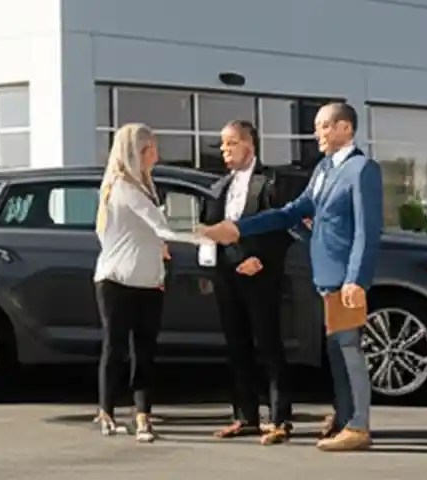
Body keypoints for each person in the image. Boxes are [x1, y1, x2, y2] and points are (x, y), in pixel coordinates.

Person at [201, 102, 382, 452]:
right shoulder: (324, 170)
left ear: (346, 128)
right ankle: (344, 418)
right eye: (317, 127)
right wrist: (237, 228)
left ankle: (358, 426)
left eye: (326, 126)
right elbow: (291, 213)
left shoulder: (362, 169)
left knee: (348, 349)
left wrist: (356, 280)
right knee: (337, 352)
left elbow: (366, 230)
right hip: (327, 276)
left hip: (345, 278)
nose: (319, 133)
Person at [93, 122, 236, 443]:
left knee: (144, 351)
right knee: (115, 348)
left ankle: (142, 415)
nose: (158, 153)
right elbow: (163, 227)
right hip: (116, 281)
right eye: (153, 147)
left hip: (149, 281)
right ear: (138, 152)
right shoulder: (123, 188)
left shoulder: (145, 185)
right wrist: (209, 234)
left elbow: (149, 232)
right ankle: (107, 412)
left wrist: (158, 250)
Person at [201, 120, 295, 445]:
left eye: (231, 144)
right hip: (227, 278)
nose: (225, 151)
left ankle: (280, 419)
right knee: (237, 347)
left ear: (249, 145)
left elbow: (284, 230)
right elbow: (210, 230)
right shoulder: (219, 187)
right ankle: (245, 418)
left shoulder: (270, 182)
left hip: (261, 277)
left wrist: (262, 260)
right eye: (223, 145)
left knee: (269, 346)